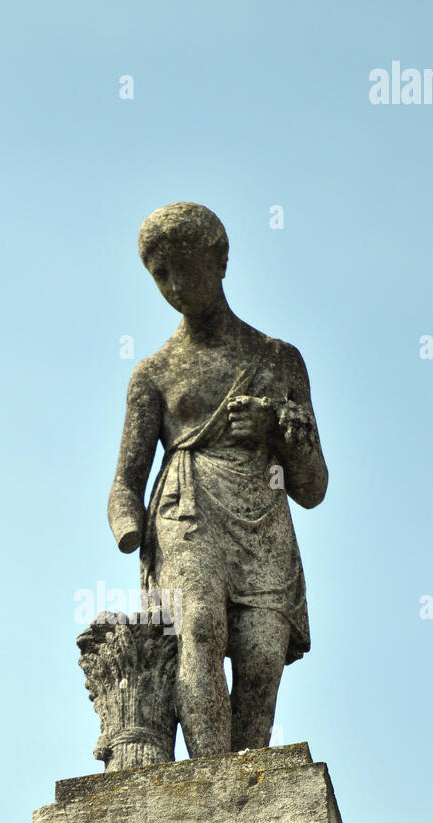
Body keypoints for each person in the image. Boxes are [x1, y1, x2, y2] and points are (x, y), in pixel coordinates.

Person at [107, 202, 328, 756]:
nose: (176, 286)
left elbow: (313, 487)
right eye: (161, 275)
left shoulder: (279, 360)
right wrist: (127, 523)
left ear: (220, 259)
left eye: (186, 267)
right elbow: (125, 480)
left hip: (262, 513)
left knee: (261, 654)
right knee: (198, 627)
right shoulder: (153, 374)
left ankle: (251, 775)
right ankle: (211, 773)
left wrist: (277, 431)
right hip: (187, 510)